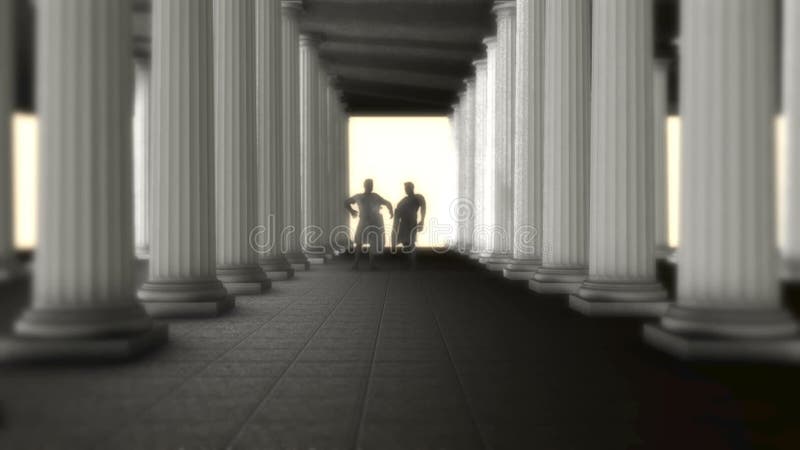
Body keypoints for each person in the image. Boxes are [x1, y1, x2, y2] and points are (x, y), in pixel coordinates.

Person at [345, 179, 394, 270]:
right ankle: (356, 264)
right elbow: (346, 202)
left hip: (374, 222)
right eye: (368, 184)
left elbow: (387, 203)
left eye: (371, 185)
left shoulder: (375, 196)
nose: (370, 186)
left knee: (373, 242)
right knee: (359, 242)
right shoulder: (359, 196)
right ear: (364, 185)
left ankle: (371, 264)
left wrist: (390, 210)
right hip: (363, 221)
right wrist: (351, 211)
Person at [392, 182, 426, 269]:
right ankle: (409, 262)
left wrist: (422, 221)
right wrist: (395, 227)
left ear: (412, 188)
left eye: (408, 188)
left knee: (411, 242)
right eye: (405, 188)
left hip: (411, 222)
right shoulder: (403, 201)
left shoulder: (418, 197)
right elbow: (397, 213)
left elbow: (423, 207)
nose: (406, 189)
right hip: (403, 223)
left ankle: (412, 263)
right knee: (405, 242)